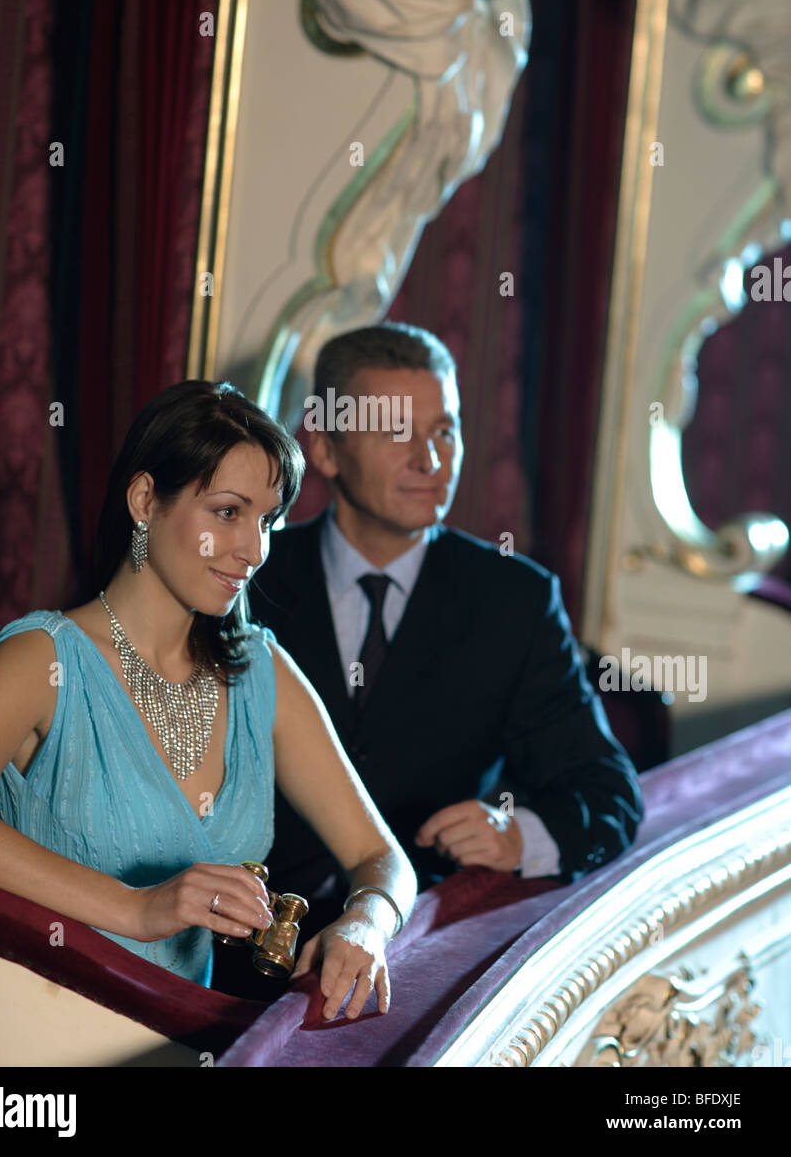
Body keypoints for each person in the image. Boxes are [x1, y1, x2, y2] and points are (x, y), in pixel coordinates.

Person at [0, 381, 416, 1023]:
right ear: (144, 500)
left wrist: (367, 924)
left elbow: (384, 860)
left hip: (181, 1042)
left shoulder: (259, 668)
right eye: (227, 512)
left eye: (267, 520)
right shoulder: (44, 658)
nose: (254, 549)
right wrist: (138, 907)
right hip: (30, 1036)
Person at [250, 324, 644, 909]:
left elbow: (608, 793)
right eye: (397, 432)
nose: (430, 460)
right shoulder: (244, 578)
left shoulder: (515, 600)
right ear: (326, 448)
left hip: (421, 947)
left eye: (445, 431)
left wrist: (518, 835)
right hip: (229, 945)